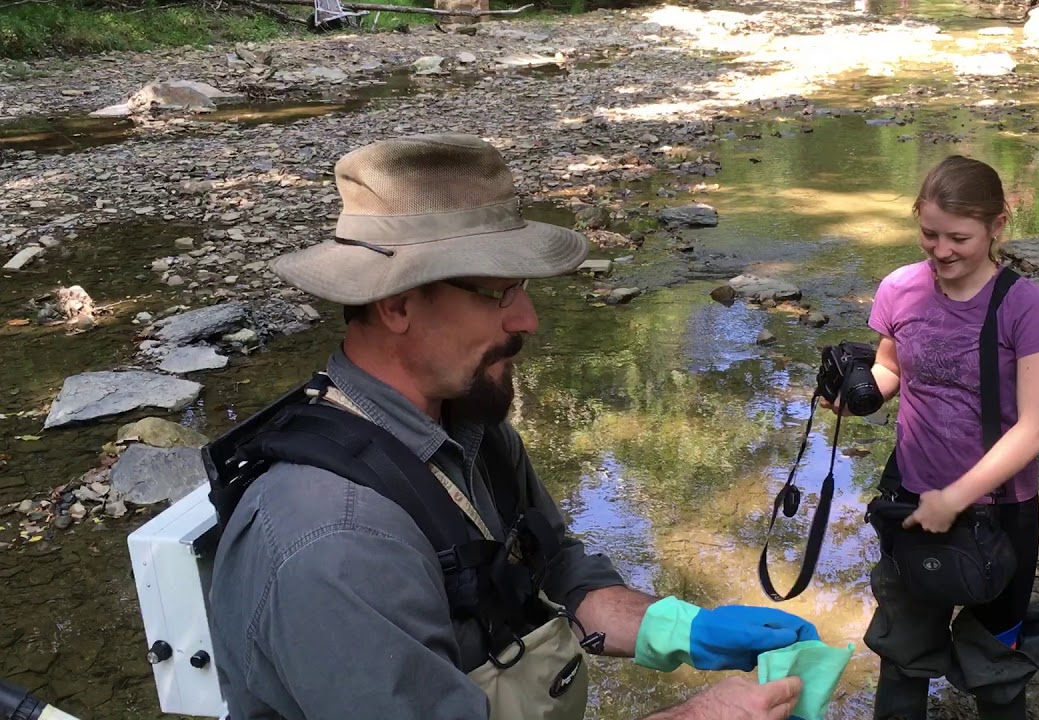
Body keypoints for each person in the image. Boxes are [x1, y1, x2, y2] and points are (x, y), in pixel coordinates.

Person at [206, 134, 813, 720]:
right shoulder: (337, 542)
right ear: (396, 305)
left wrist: (684, 630)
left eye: (521, 287)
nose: (528, 319)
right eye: (498, 293)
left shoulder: (468, 427)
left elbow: (555, 571)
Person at [826, 155, 1039, 720]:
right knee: (903, 649)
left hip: (999, 512)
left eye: (959, 237)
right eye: (929, 233)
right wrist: (858, 396)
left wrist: (954, 499)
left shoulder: (1023, 303)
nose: (941, 250)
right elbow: (892, 370)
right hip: (910, 500)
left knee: (996, 666)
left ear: (997, 226)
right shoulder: (899, 288)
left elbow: (1037, 428)